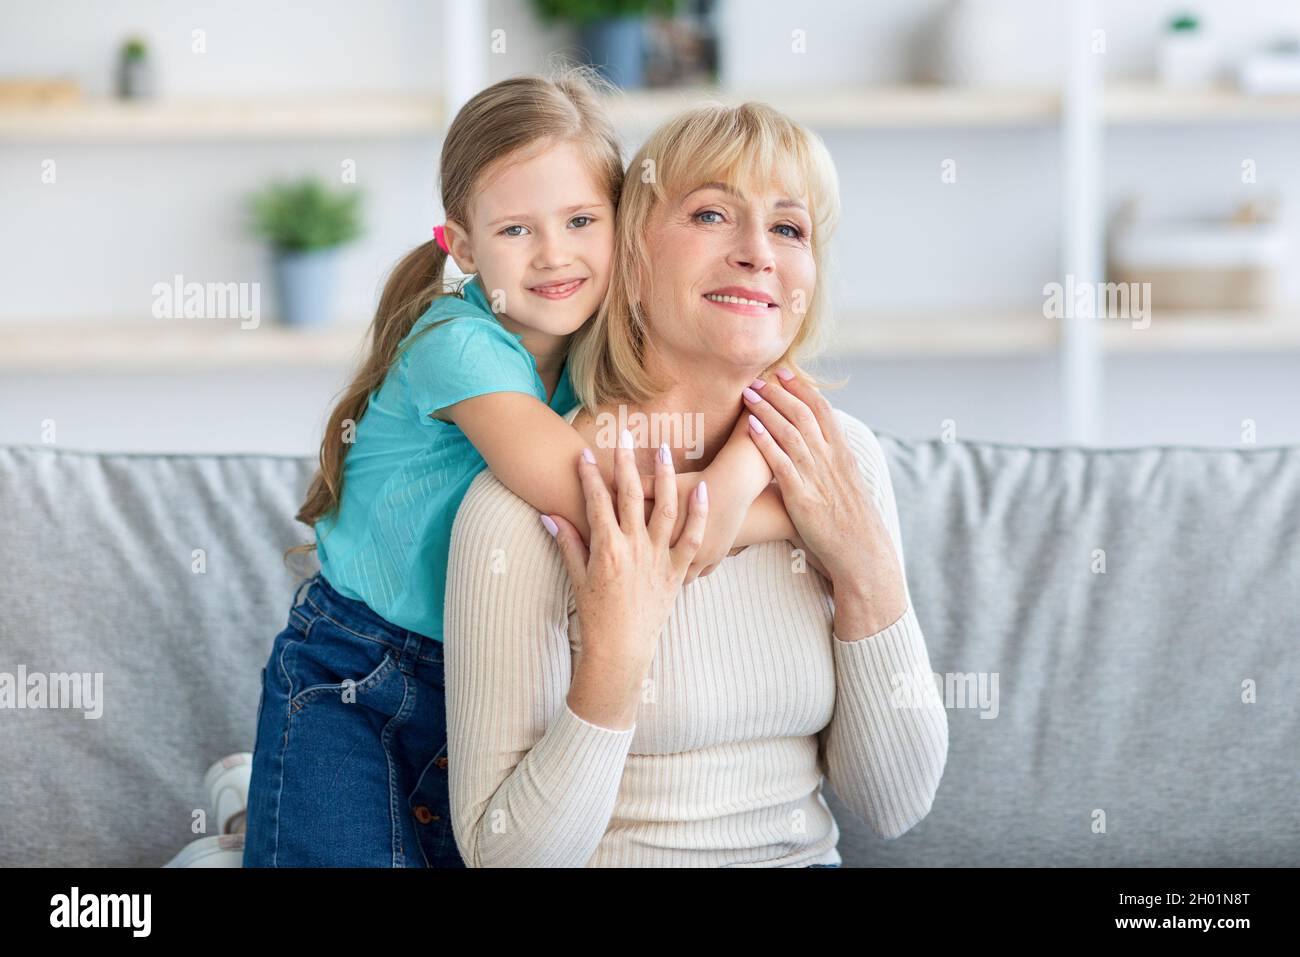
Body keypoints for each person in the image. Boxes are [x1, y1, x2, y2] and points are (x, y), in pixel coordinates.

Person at [243, 70, 794, 868]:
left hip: (494, 690)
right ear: (463, 247)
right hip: (359, 680)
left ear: (624, 226)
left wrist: (743, 458)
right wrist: (778, 505)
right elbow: (596, 503)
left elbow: (773, 385)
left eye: (580, 220)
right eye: (515, 232)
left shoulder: (609, 350)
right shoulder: (455, 346)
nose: (554, 255)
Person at [444, 101, 950, 867]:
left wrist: (868, 574)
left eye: (789, 227)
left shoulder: (841, 462)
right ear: (631, 263)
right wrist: (616, 653)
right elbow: (502, 858)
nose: (758, 252)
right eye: (712, 214)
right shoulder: (523, 508)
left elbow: (896, 802)